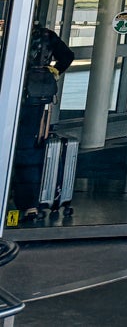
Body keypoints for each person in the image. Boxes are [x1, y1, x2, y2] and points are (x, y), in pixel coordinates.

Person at [11, 23, 74, 223]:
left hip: (11, 94)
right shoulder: (45, 34)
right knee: (26, 149)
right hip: (33, 98)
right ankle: (28, 204)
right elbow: (67, 56)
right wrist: (53, 71)